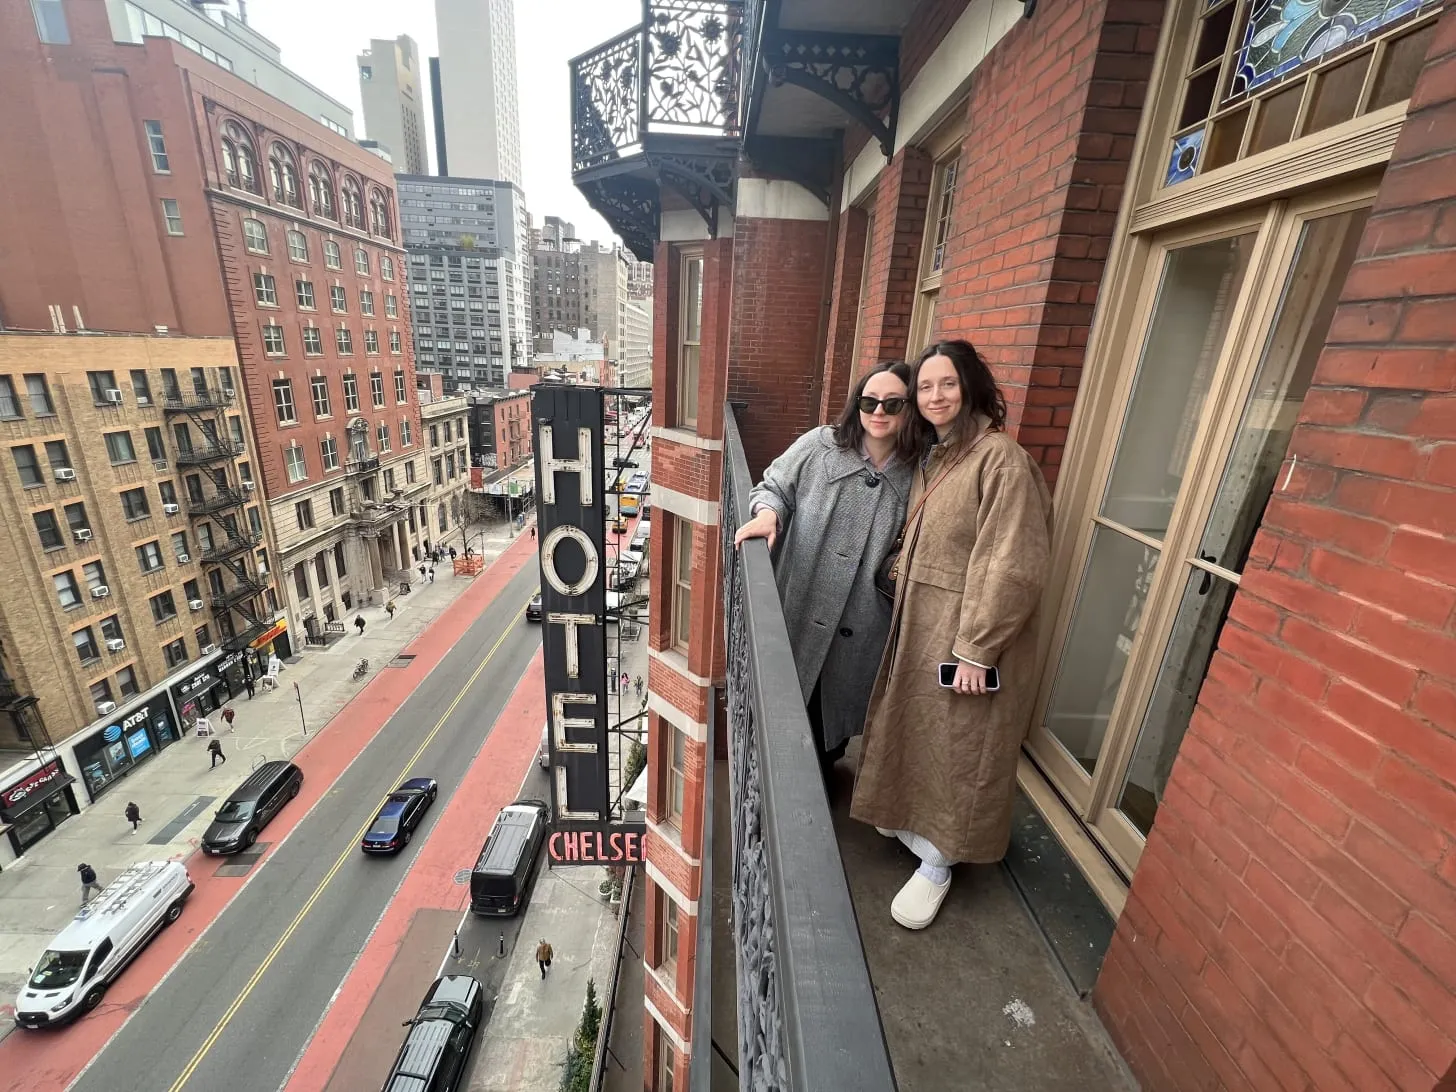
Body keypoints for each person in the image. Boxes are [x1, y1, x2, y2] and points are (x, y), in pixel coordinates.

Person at [852, 340, 1052, 932]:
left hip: (964, 632)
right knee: (919, 729)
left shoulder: (1001, 460)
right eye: (926, 388)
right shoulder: (940, 456)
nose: (935, 397)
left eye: (947, 384)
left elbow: (1011, 564)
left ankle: (939, 863)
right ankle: (911, 823)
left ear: (971, 387)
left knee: (961, 747)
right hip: (924, 621)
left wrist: (976, 648)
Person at [735, 361, 915, 781]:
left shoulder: (920, 471)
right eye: (870, 401)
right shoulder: (820, 446)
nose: (879, 411)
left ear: (909, 410)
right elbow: (774, 487)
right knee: (785, 707)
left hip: (866, 621)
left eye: (893, 403)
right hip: (801, 602)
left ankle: (823, 773)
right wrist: (768, 515)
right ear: (857, 404)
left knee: (832, 719)